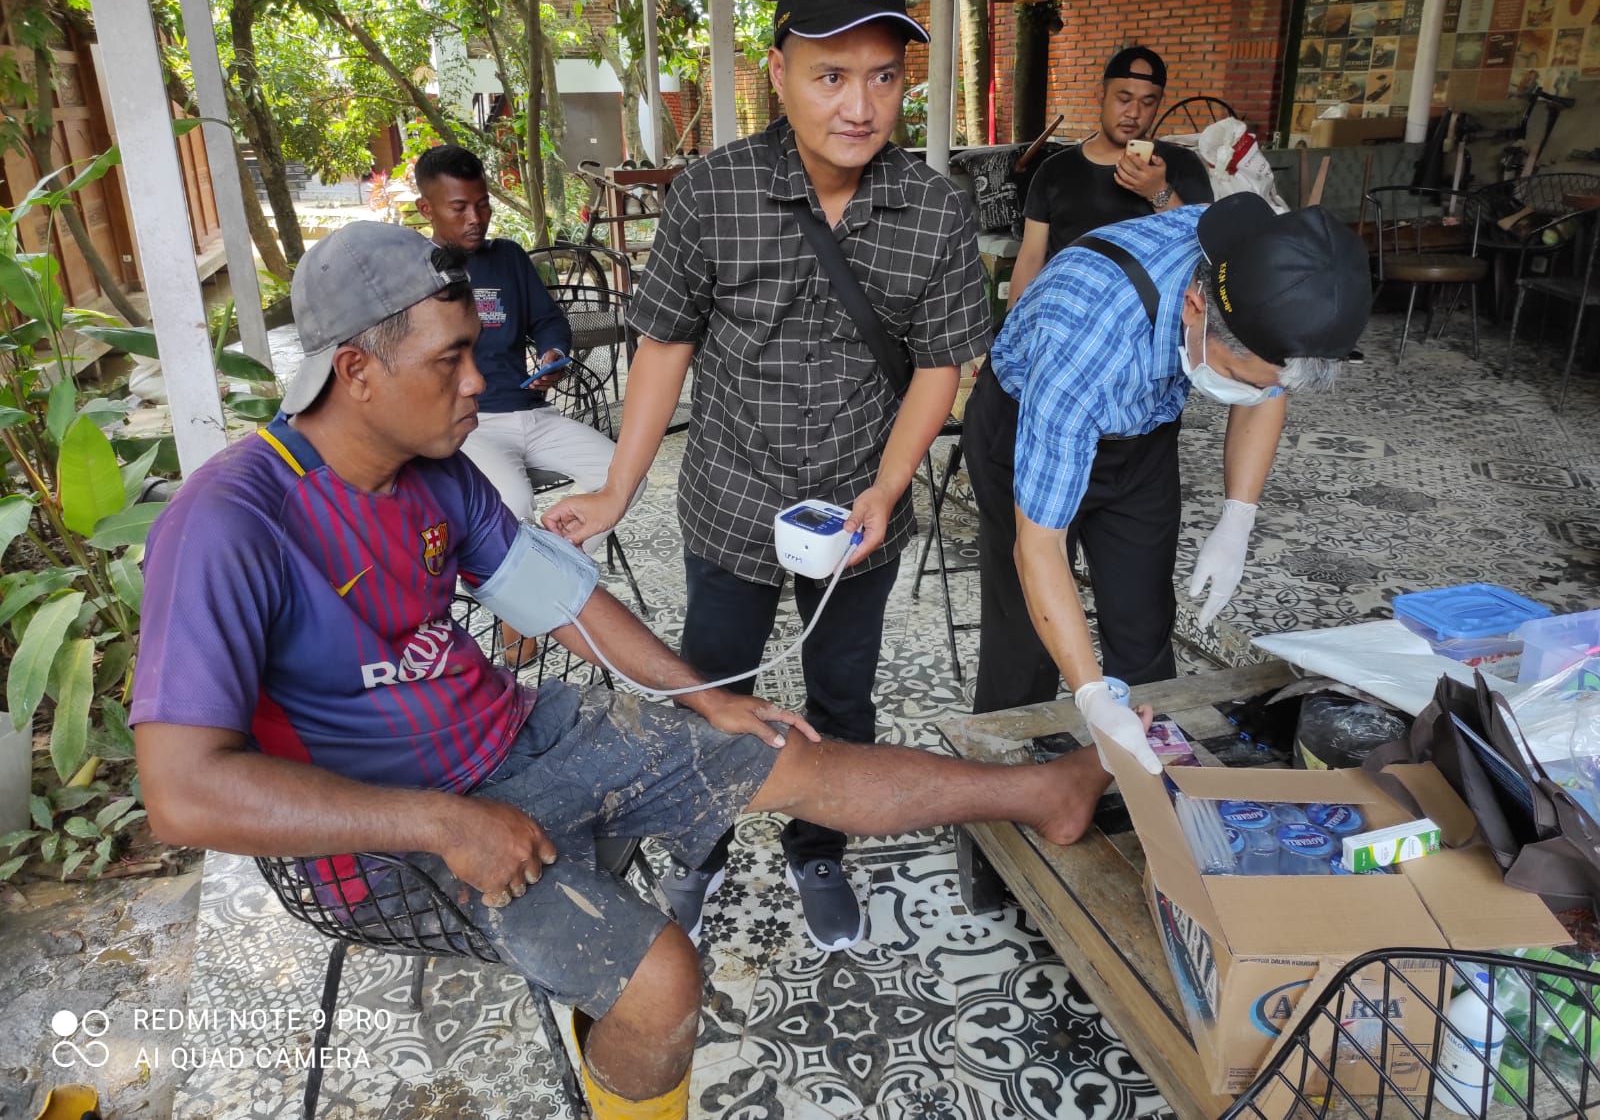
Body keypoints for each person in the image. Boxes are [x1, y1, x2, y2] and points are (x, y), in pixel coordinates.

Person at [129, 221, 1127, 1120]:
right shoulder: (230, 522)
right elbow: (183, 794)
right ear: (355, 371)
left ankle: (1042, 793)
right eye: (451, 359)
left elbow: (561, 602)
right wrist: (440, 821)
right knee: (663, 983)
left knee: (784, 749)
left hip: (518, 739)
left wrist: (706, 697)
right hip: (393, 841)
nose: (479, 381)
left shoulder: (435, 472)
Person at [541, 0, 990, 953]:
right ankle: (697, 850)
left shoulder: (932, 209)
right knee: (711, 689)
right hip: (733, 498)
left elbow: (939, 364)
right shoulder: (713, 191)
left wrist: (888, 487)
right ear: (778, 71)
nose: (859, 106)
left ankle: (819, 844)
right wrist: (616, 490)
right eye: (831, 75)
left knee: (842, 691)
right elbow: (665, 345)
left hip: (859, 509)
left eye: (884, 77)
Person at [964, 195, 1370, 728]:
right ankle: (1011, 759)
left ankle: (1147, 752)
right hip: (1028, 421)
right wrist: (1091, 696)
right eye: (1239, 379)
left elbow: (1268, 386)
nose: (1253, 395)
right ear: (1195, 308)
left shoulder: (1265, 266)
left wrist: (1238, 518)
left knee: (1143, 618)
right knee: (1023, 633)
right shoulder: (1086, 340)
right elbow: (1039, 548)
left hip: (1143, 437)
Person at [413, 144, 631, 664]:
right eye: (459, 208)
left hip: (533, 410)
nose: (476, 218)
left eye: (483, 204)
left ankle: (540, 585)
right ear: (427, 209)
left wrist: (553, 353)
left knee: (626, 474)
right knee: (510, 503)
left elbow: (549, 321)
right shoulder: (412, 272)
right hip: (472, 426)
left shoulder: (507, 258)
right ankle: (539, 600)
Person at [1005, 46, 1215, 312]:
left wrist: (1158, 192)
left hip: (1150, 322)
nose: (1133, 112)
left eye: (1147, 102)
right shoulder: (1055, 170)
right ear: (1101, 94)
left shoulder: (1181, 165)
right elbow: (1031, 258)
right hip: (1067, 316)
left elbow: (1203, 250)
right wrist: (1010, 325)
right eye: (1123, 99)